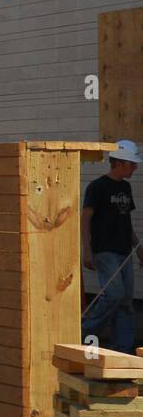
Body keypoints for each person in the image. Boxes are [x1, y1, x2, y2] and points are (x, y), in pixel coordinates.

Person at [81, 139, 141, 352]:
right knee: (114, 294)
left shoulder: (125, 187)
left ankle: (123, 349)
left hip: (124, 251)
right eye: (131, 164)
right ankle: (84, 332)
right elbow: (85, 218)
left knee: (125, 301)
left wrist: (138, 248)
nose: (135, 167)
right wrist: (87, 250)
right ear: (119, 162)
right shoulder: (98, 187)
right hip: (105, 250)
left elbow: (126, 221)